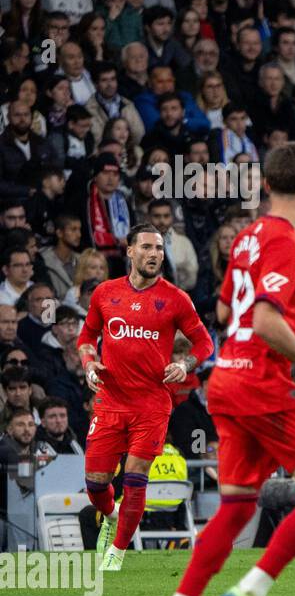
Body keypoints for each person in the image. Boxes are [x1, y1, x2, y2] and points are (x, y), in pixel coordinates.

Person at [154, 143, 295, 596]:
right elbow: (263, 321)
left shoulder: (245, 239)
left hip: (225, 380)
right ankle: (252, 590)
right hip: (262, 384)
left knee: (238, 506)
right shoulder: (289, 243)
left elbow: (225, 314)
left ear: (265, 185)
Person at [76, 224, 213, 572]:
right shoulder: (105, 294)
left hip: (152, 404)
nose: (155, 254)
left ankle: (117, 554)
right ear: (130, 251)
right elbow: (87, 337)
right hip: (109, 400)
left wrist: (185, 364)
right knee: (96, 484)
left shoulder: (175, 298)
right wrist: (90, 365)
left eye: (160, 249)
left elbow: (204, 344)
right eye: (148, 247)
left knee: (136, 478)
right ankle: (111, 515)